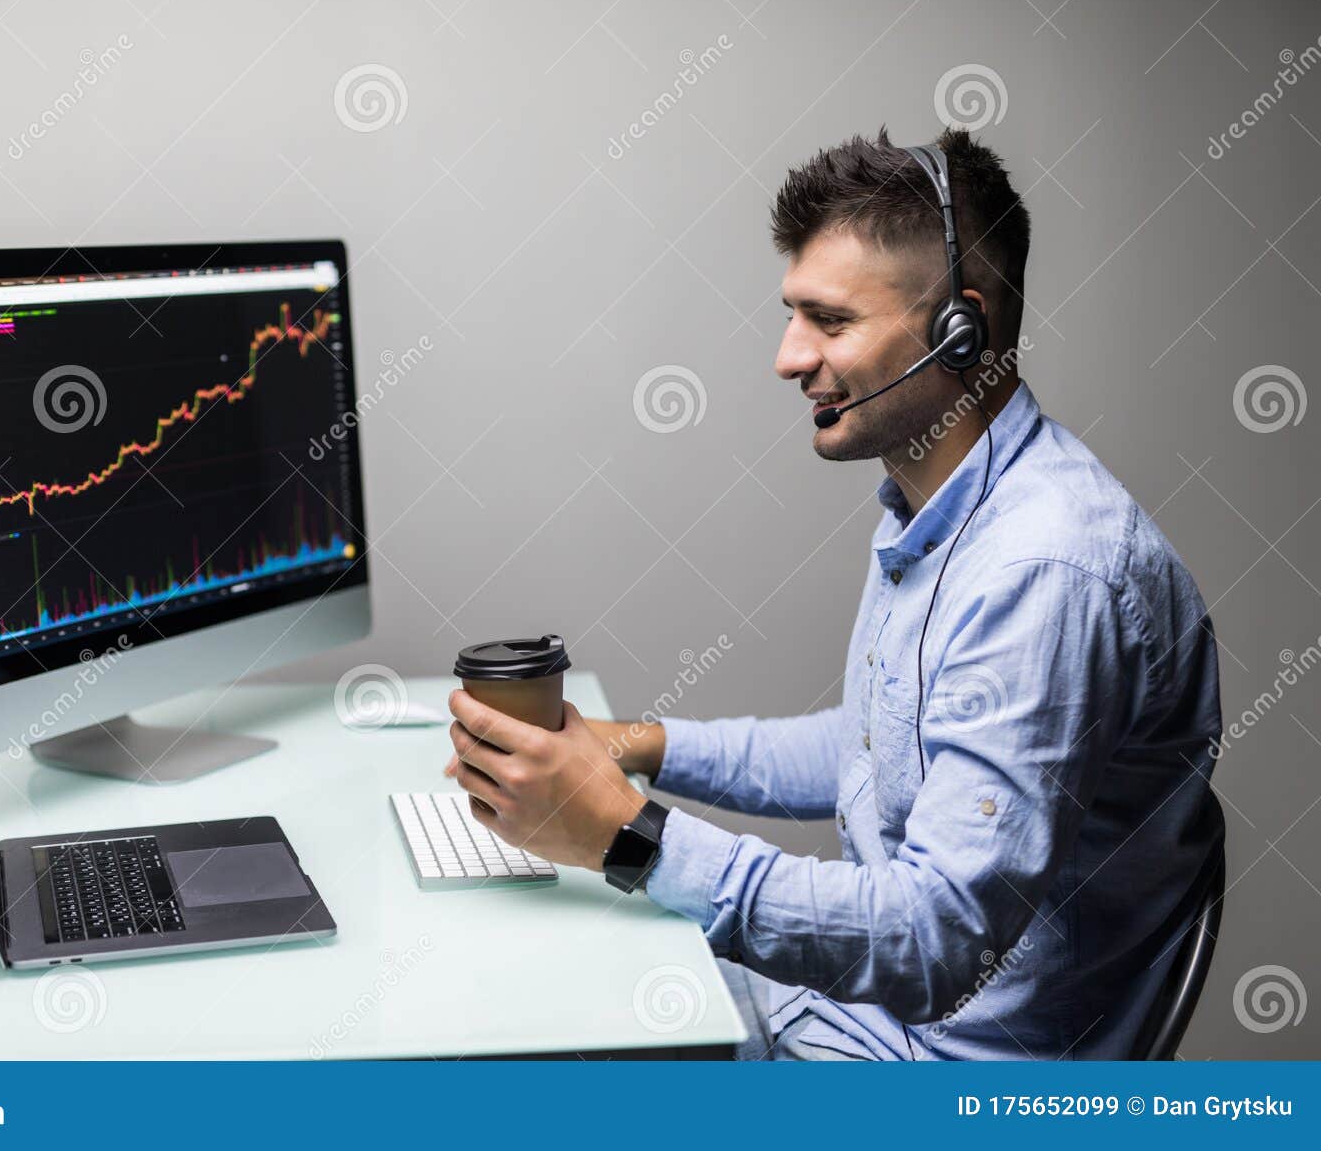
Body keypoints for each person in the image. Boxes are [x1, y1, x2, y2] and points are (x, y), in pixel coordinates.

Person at [443, 127, 1225, 1060]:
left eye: (830, 321)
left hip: (932, 1068)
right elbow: (872, 749)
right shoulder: (940, 509)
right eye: (793, 314)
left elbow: (935, 939)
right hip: (867, 1018)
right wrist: (633, 747)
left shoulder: (1044, 574)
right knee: (525, 993)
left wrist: (626, 834)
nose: (787, 356)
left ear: (960, 329)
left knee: (516, 1059)